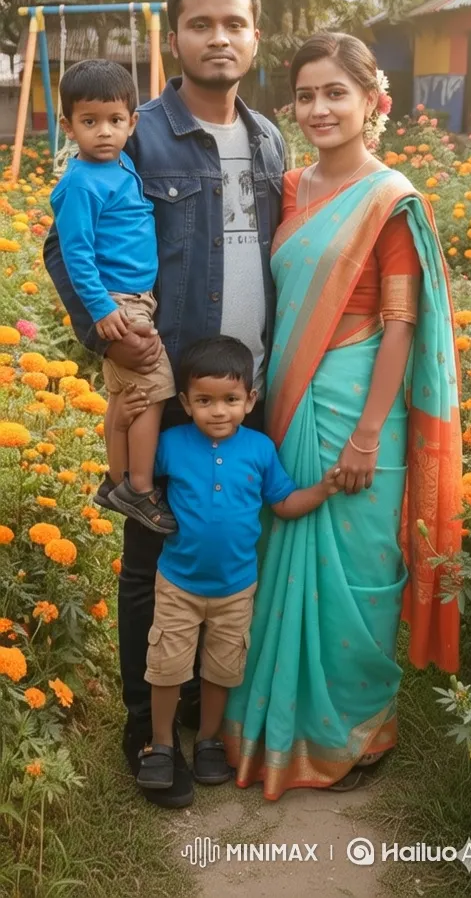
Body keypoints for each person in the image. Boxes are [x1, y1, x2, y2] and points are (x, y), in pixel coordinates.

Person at [43, 0, 286, 809]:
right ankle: (148, 730)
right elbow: (60, 249)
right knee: (152, 556)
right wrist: (109, 336)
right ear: (173, 37)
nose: (220, 38)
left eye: (236, 23)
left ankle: (206, 712)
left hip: (242, 388)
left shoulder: (267, 138)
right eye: (201, 24)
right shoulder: (131, 132)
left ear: (256, 34)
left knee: (222, 547)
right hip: (167, 377)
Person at [224, 32, 462, 798]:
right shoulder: (290, 189)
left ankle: (359, 731)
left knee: (360, 573)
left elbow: (402, 325)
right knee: (285, 552)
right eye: (306, 95)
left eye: (336, 93)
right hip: (292, 402)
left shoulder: (390, 200)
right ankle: (277, 728)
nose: (319, 108)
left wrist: (365, 433)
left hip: (365, 406)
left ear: (373, 103)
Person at [111, 337, 341, 794]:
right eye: (205, 401)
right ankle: (161, 744)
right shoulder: (172, 444)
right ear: (185, 402)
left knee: (221, 670)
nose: (218, 411)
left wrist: (324, 490)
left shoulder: (259, 450)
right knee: (167, 668)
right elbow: (123, 476)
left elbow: (285, 503)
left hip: (236, 588)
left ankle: (210, 741)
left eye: (231, 400)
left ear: (250, 399)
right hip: (177, 583)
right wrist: (118, 424)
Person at [50, 60, 177, 535]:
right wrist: (102, 309)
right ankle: (138, 488)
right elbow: (75, 255)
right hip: (120, 300)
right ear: (68, 125)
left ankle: (116, 479)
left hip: (139, 296)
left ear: (132, 123)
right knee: (152, 391)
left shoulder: (121, 163)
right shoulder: (79, 184)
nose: (103, 132)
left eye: (115, 121)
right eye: (89, 122)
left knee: (129, 393)